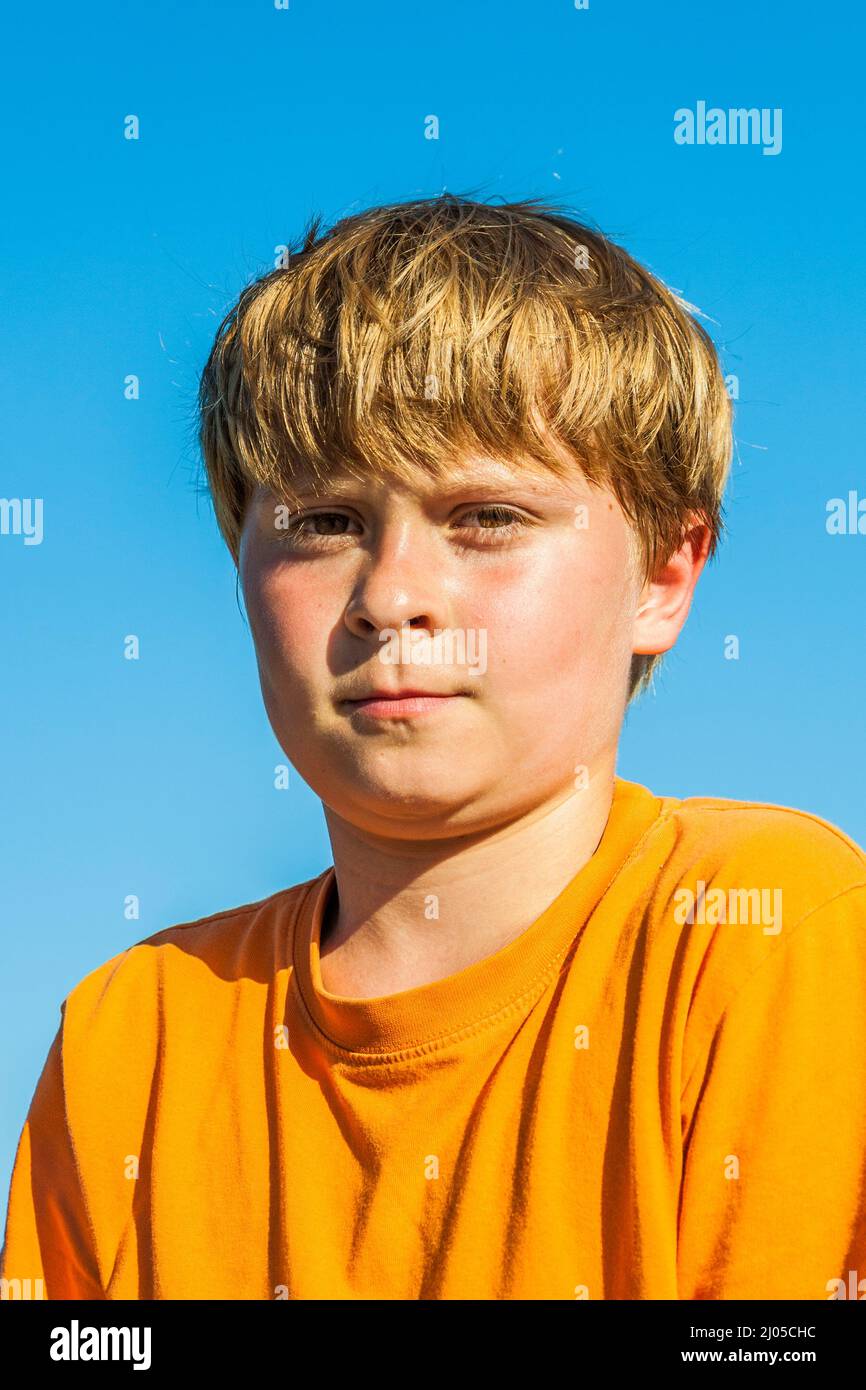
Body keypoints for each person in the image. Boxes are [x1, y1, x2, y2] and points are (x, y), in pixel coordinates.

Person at [3, 194, 865, 1301]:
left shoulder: (765, 931)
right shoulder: (132, 1034)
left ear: (664, 576)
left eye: (487, 517)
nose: (391, 595)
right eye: (322, 520)